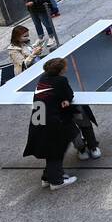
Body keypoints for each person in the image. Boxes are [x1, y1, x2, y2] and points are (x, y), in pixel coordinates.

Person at [23, 58, 78, 189]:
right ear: (61, 70)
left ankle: (47, 177)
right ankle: (56, 181)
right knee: (55, 150)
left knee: (50, 148)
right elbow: (69, 94)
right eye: (65, 66)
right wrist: (66, 99)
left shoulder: (43, 78)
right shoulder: (61, 80)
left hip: (38, 119)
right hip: (50, 122)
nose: (66, 67)